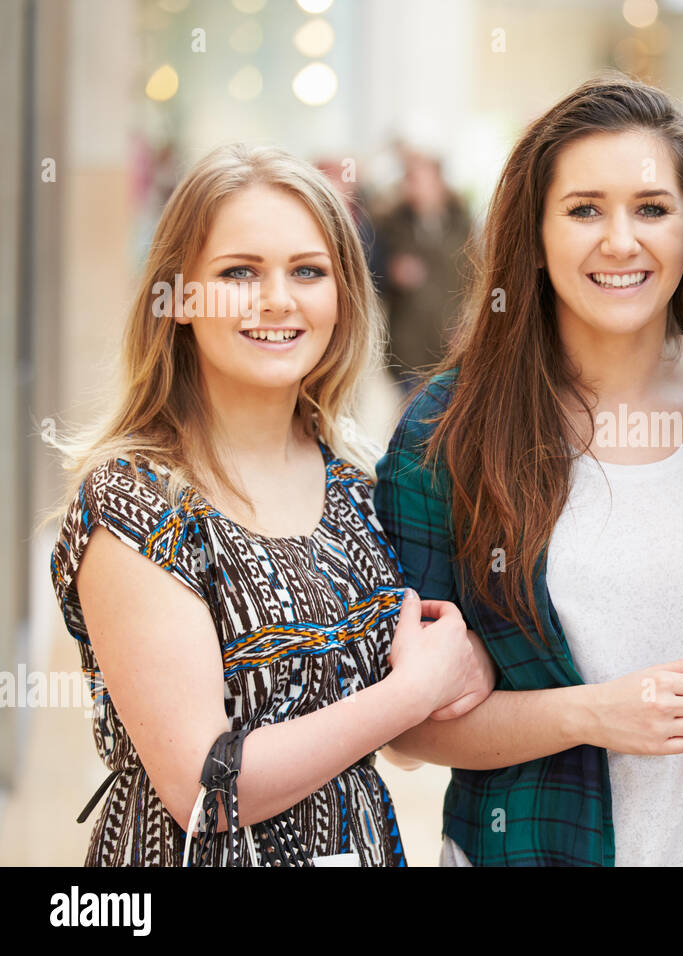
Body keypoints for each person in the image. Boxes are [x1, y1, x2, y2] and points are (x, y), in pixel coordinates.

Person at [374, 74, 683, 866]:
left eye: (651, 208)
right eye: (583, 210)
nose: (620, 241)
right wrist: (587, 715)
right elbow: (404, 729)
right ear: (535, 234)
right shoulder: (447, 432)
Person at [49, 143, 493, 866]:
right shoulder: (134, 502)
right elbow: (205, 790)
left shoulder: (355, 479)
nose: (278, 299)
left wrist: (462, 661)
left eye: (308, 271)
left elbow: (409, 734)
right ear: (180, 296)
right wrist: (409, 694)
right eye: (239, 272)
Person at [373, 149, 474, 389]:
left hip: (450, 346)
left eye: (419, 180)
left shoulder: (463, 225)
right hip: (408, 349)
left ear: (438, 182)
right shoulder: (389, 225)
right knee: (413, 422)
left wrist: (469, 324)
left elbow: (479, 281)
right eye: (409, 180)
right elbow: (370, 277)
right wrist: (391, 273)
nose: (413, 188)